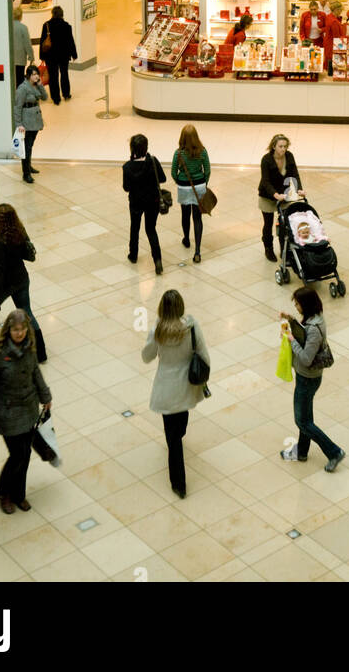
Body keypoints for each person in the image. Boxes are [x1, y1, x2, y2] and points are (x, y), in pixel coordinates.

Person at [140, 289, 210, 499]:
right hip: (186, 385)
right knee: (181, 422)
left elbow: (146, 357)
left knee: (173, 440)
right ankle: (179, 437)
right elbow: (204, 356)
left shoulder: (157, 331)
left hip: (166, 387)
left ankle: (179, 484)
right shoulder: (192, 327)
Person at [0, 309, 51, 514]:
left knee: (24, 455)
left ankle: (18, 495)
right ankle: (3, 491)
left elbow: (36, 373)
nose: (19, 333)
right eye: (15, 329)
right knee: (18, 454)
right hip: (8, 413)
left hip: (29, 408)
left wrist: (45, 397)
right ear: (8, 330)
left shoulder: (29, 349)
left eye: (22, 329)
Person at [280, 287, 345, 472]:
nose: (296, 306)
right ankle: (301, 451)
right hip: (309, 378)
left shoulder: (314, 329)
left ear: (306, 305)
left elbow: (306, 359)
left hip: (307, 379)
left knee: (302, 421)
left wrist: (291, 339)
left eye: (298, 304)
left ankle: (334, 451)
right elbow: (303, 332)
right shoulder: (314, 318)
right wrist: (291, 320)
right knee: (306, 417)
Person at [0, 203, 47, 361]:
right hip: (22, 278)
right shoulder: (19, 230)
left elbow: (0, 272)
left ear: (0, 219)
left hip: (5, 283)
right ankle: (41, 352)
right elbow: (25, 252)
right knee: (27, 312)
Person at [123, 132, 166, 273]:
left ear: (132, 149)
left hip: (136, 201)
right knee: (151, 229)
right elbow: (163, 178)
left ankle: (133, 255)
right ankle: (158, 260)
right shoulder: (152, 161)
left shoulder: (127, 167)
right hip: (152, 201)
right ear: (146, 147)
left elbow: (126, 188)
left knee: (135, 228)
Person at [258, 133, 304, 262]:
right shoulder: (266, 160)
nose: (283, 149)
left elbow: (295, 174)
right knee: (268, 223)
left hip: (284, 194)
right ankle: (268, 248)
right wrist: (275, 195)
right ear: (274, 146)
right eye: (280, 146)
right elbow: (265, 181)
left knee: (284, 223)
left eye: (285, 146)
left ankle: (285, 250)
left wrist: (299, 188)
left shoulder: (289, 156)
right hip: (268, 195)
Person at [171, 124, 211, 264]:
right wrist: (203, 183)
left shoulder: (179, 153)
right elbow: (207, 170)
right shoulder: (203, 151)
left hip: (184, 186)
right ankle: (198, 251)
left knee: (185, 214)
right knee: (197, 217)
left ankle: (186, 239)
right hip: (199, 186)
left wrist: (180, 181)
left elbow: (173, 172)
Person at [14, 63, 48, 184]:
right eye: (34, 75)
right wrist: (19, 124)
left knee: (30, 145)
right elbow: (17, 107)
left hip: (35, 119)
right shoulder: (22, 89)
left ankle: (29, 166)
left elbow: (45, 97)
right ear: (28, 76)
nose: (36, 76)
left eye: (37, 74)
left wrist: (40, 85)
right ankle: (26, 173)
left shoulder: (36, 85)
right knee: (26, 147)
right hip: (27, 121)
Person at [38, 4, 78, 104]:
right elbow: (70, 41)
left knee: (53, 76)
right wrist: (74, 54)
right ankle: (66, 94)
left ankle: (56, 98)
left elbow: (42, 41)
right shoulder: (67, 26)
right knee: (64, 74)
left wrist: (42, 56)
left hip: (50, 56)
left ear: (52, 14)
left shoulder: (46, 25)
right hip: (64, 55)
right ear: (62, 14)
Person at [322, 0, 345, 76]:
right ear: (337, 10)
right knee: (331, 66)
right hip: (332, 46)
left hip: (328, 43)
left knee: (327, 62)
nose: (340, 12)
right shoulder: (334, 21)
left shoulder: (329, 17)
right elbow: (337, 37)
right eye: (340, 10)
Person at [12, 6, 32, 88]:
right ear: (21, 16)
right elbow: (27, 43)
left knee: (12, 78)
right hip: (20, 57)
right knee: (20, 77)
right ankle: (20, 96)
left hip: (11, 57)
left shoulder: (8, 26)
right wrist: (31, 56)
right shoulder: (23, 28)